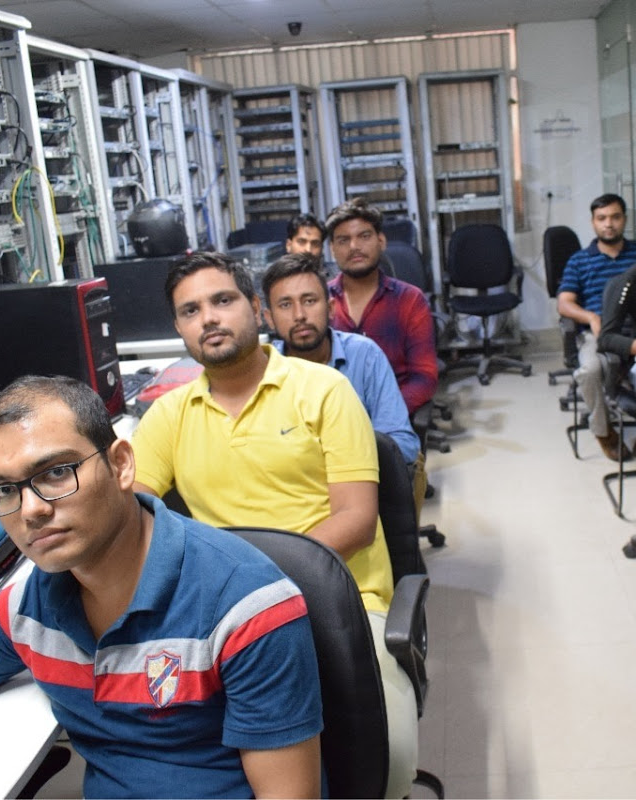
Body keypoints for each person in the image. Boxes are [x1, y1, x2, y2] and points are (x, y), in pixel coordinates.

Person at [0, 376, 323, 800]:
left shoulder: (246, 607)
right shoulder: (32, 605)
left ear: (121, 465)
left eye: (55, 473)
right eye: (5, 490)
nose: (31, 510)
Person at [131, 251, 418, 799]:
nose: (208, 318)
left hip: (342, 600)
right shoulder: (169, 414)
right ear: (179, 328)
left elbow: (356, 520)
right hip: (226, 617)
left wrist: (258, 586)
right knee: (195, 759)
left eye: (222, 300)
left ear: (256, 309)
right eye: (191, 310)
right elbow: (132, 520)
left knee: (389, 764)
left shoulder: (324, 390)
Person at [261, 252, 427, 515]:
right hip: (290, 504)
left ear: (331, 308)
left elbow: (402, 445)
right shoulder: (262, 372)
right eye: (285, 305)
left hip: (364, 493)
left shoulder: (365, 355)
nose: (299, 315)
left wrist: (331, 466)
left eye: (309, 301)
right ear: (269, 318)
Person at [325, 199, 438, 416]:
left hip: (390, 421)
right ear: (332, 249)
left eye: (364, 236)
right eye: (343, 240)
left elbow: (424, 378)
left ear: (381, 241)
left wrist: (383, 416)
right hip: (334, 419)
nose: (354, 246)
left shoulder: (410, 300)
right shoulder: (319, 301)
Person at [558, 193, 636, 461]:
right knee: (590, 370)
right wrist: (591, 317)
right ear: (593, 222)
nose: (609, 224)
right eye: (601, 218)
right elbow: (564, 303)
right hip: (598, 333)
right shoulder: (579, 260)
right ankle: (603, 431)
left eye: (615, 217)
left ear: (624, 219)